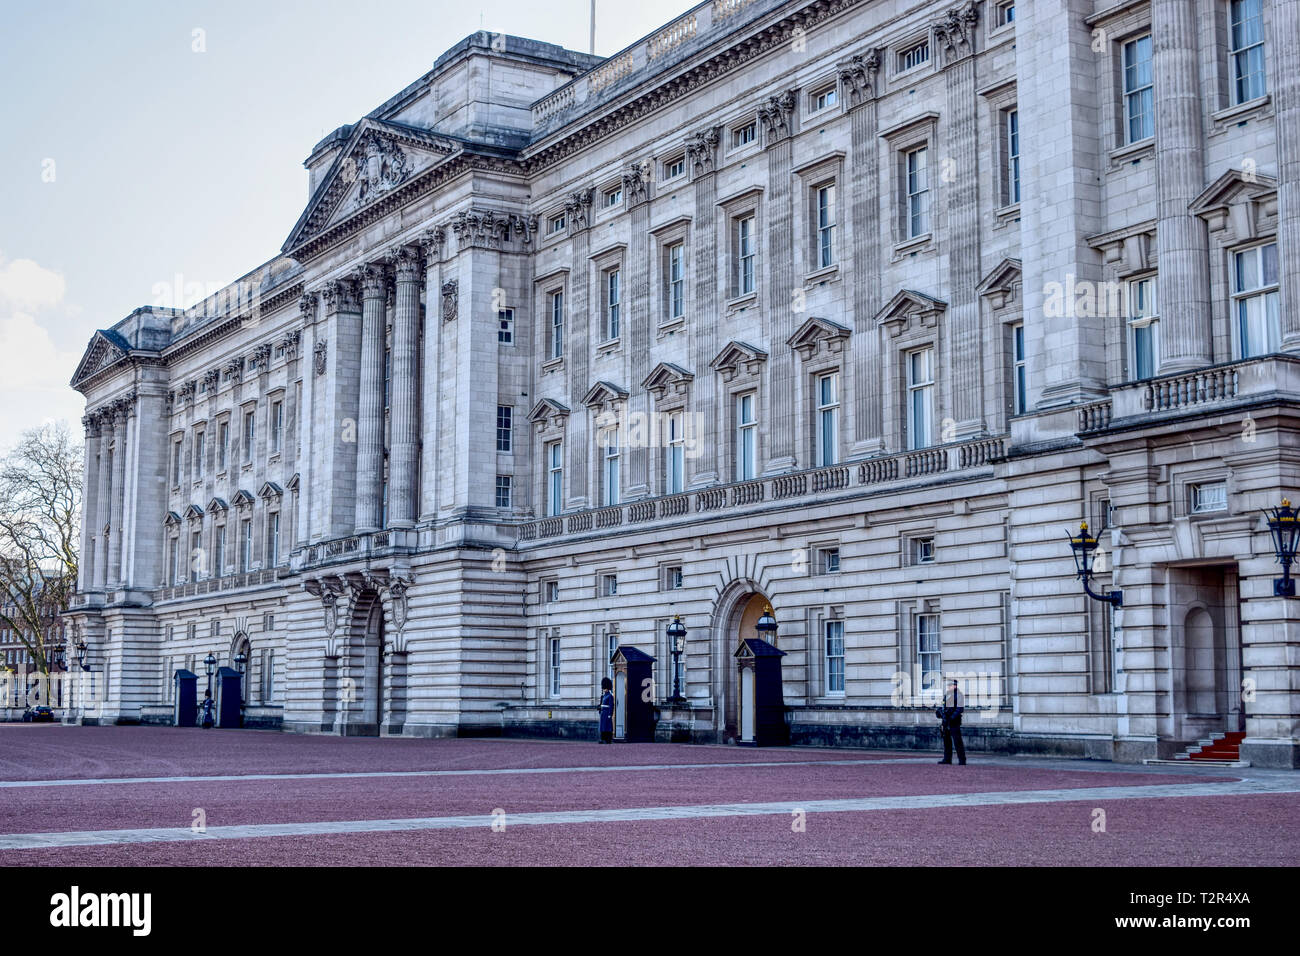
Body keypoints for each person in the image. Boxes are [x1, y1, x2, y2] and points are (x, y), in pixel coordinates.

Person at [936, 679, 966, 765]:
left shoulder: (959, 695)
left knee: (957, 741)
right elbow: (942, 706)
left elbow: (959, 709)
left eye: (950, 685)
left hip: (954, 721)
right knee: (946, 741)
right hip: (945, 721)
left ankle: (962, 760)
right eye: (948, 685)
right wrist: (940, 712)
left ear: (955, 686)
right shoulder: (946, 695)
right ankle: (947, 759)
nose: (948, 687)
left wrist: (952, 717)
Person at [597, 677, 614, 744]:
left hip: (607, 713)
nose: (604, 689)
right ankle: (602, 738)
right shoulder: (603, 696)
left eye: (605, 688)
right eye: (604, 688)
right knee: (602, 727)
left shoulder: (610, 696)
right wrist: (599, 708)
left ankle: (608, 739)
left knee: (607, 726)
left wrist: (610, 714)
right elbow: (601, 704)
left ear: (608, 688)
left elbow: (611, 706)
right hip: (603, 713)